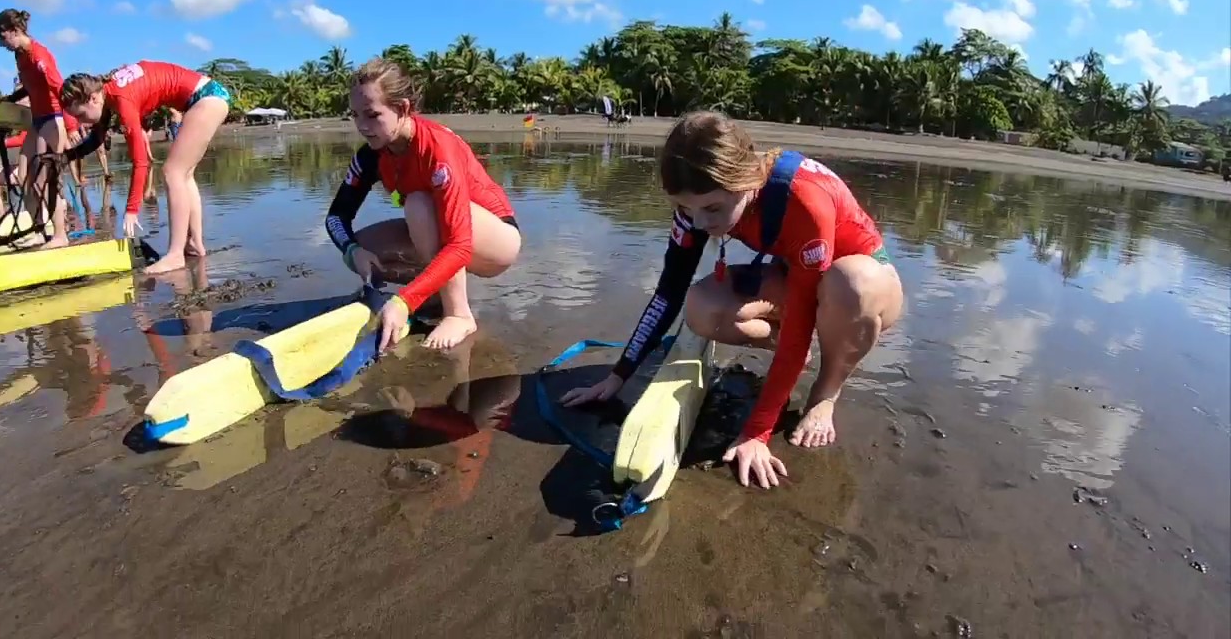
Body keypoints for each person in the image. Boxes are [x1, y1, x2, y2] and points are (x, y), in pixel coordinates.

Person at [560, 111, 905, 490]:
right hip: (797, 274)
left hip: (865, 282)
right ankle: (795, 357)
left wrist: (757, 432)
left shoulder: (803, 200)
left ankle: (826, 390)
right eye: (685, 208)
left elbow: (802, 319)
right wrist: (618, 376)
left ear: (748, 182)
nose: (700, 222)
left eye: (712, 209)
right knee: (701, 306)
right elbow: (668, 292)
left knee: (849, 284)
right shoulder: (695, 213)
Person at [325, 57, 522, 352]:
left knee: (418, 204)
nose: (362, 127)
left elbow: (459, 245)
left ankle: (458, 313)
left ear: (402, 108)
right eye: (355, 115)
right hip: (443, 228)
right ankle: (432, 293)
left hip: (495, 238)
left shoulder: (437, 149)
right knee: (363, 247)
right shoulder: (371, 155)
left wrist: (404, 300)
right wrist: (353, 251)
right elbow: (336, 217)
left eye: (372, 115)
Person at [60, 61, 231, 274]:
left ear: (93, 99)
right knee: (185, 175)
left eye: (81, 115)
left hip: (206, 98)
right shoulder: (109, 92)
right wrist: (67, 156)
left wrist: (132, 209)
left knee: (172, 172)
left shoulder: (122, 99)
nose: (81, 122)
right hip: (209, 96)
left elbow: (140, 161)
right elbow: (97, 138)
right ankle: (194, 243)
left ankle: (175, 255)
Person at [0, 9, 73, 247]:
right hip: (37, 121)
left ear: (15, 31)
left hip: (53, 119)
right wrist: (10, 98)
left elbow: (60, 87)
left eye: (2, 37)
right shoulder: (19, 56)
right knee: (24, 179)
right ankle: (39, 230)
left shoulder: (39, 55)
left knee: (47, 181)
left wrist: (71, 124)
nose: (0, 44)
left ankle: (61, 236)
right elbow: (30, 87)